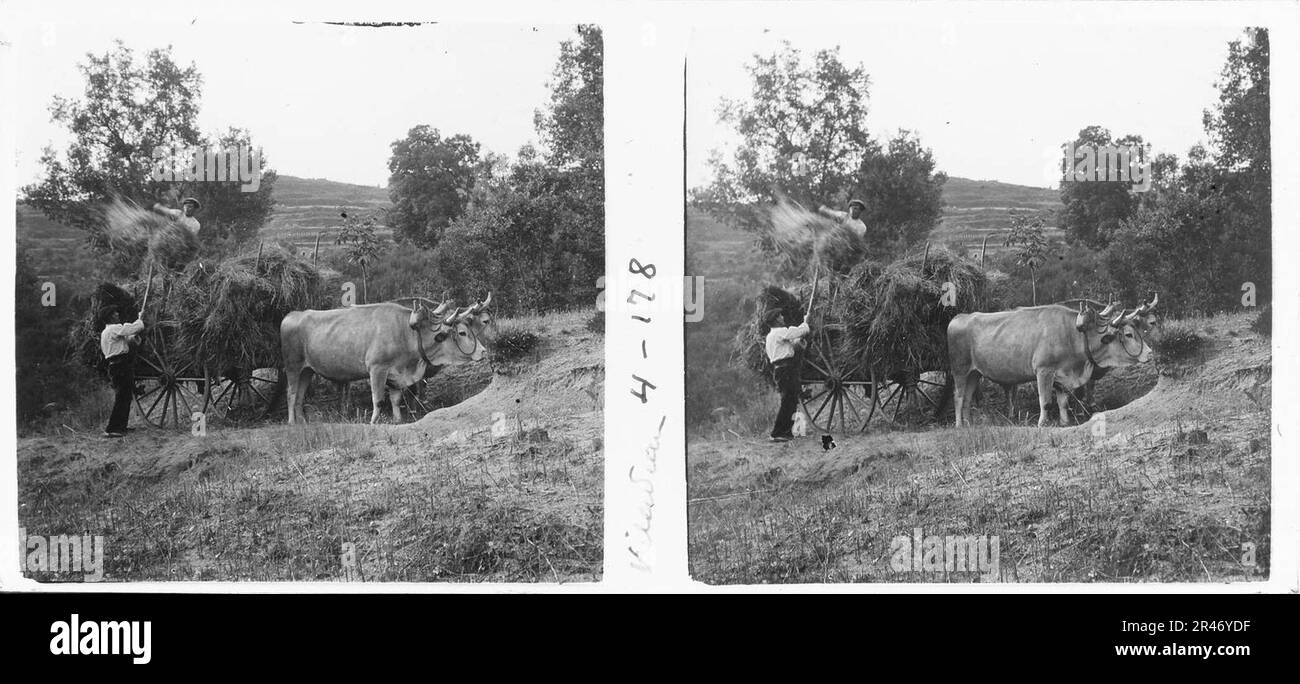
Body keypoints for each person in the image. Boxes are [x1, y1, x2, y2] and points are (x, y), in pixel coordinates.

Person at [764, 310, 811, 442]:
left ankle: (785, 432)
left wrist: (798, 342)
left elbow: (790, 345)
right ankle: (777, 433)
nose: (782, 317)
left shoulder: (773, 336)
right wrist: (805, 322)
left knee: (791, 400)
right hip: (785, 370)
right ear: (776, 320)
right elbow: (796, 332)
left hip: (783, 369)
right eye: (780, 316)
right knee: (787, 401)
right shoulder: (779, 332)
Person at [100, 306, 145, 437]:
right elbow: (131, 328)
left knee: (125, 396)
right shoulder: (113, 329)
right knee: (121, 397)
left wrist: (134, 334)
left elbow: (128, 339)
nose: (117, 314)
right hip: (119, 366)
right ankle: (112, 429)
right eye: (114, 313)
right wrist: (140, 319)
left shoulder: (109, 332)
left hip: (118, 365)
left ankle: (121, 427)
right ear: (110, 317)